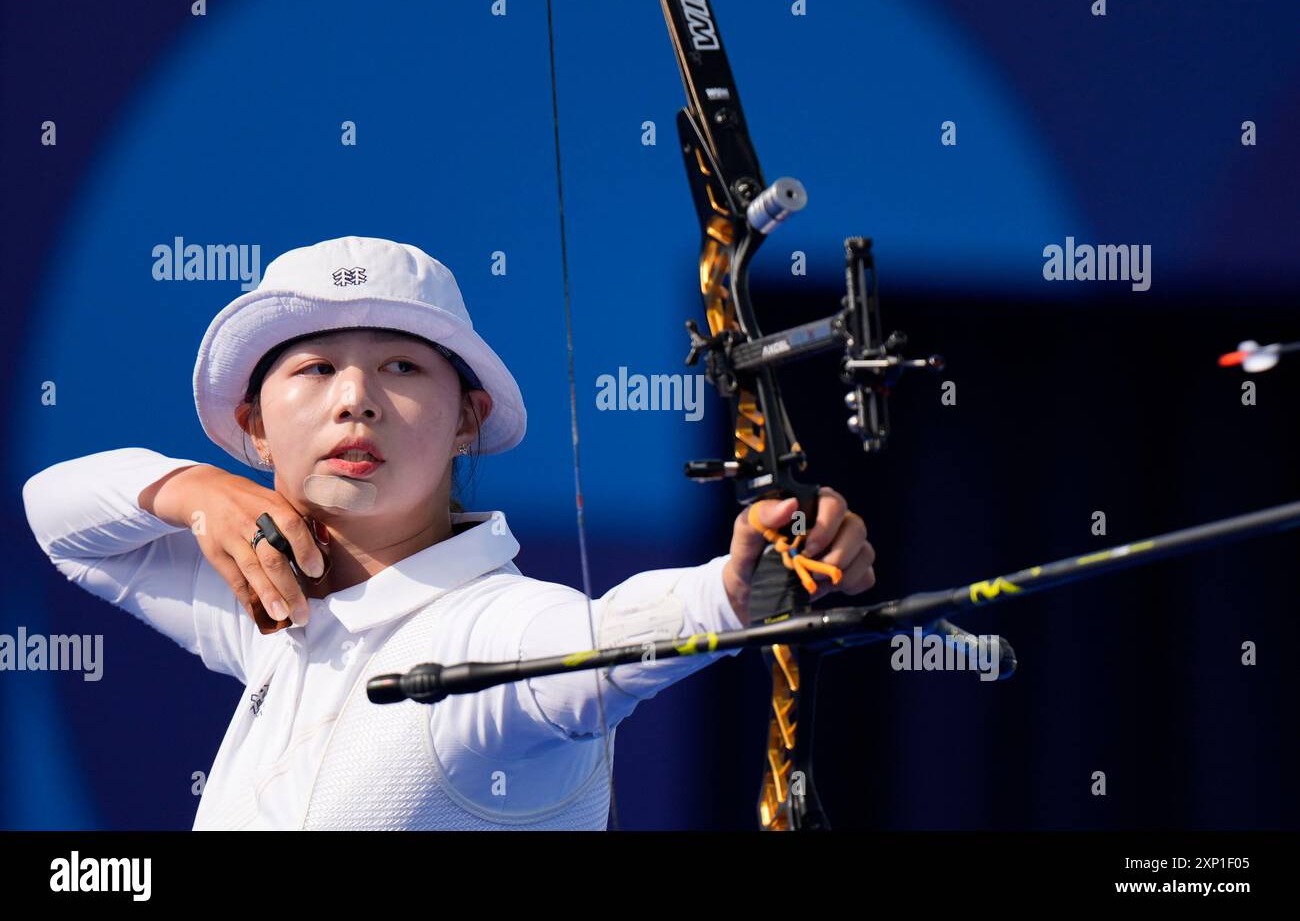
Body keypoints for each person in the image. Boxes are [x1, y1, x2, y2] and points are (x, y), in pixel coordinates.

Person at [22, 235, 875, 830]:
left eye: (401, 366)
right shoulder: (274, 602)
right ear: (254, 426)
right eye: (316, 367)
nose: (354, 397)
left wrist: (732, 594)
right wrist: (195, 491)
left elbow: (598, 642)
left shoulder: (489, 630)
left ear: (469, 419)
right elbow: (55, 516)